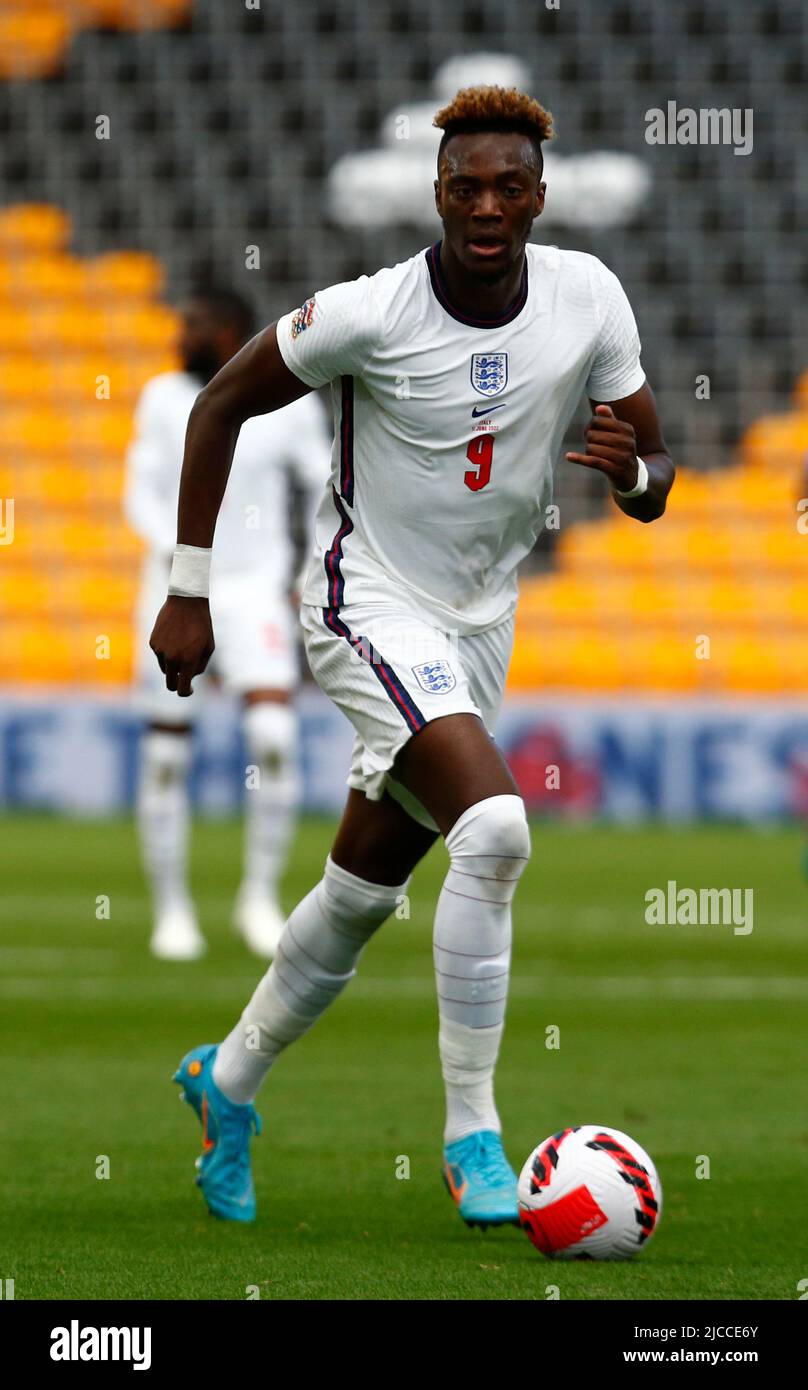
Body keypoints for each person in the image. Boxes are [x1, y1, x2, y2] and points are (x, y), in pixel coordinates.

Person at [149, 87, 675, 1227]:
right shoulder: (368, 313)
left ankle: (225, 1081)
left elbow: (654, 473)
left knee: (358, 893)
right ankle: (473, 1134)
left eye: (507, 186)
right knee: (493, 828)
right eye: (463, 186)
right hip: (364, 600)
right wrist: (186, 590)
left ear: (540, 195)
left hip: (479, 625)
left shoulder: (589, 296)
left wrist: (630, 476)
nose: (485, 206)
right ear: (437, 194)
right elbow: (219, 407)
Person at [126, 286, 332, 960]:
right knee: (165, 752)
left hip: (253, 592)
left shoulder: (288, 401)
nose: (181, 332)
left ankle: (258, 898)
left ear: (232, 331)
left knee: (273, 735)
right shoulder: (160, 397)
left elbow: (324, 485)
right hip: (173, 588)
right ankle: (172, 911)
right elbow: (141, 493)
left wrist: (304, 576)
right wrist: (184, 567)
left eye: (196, 321)